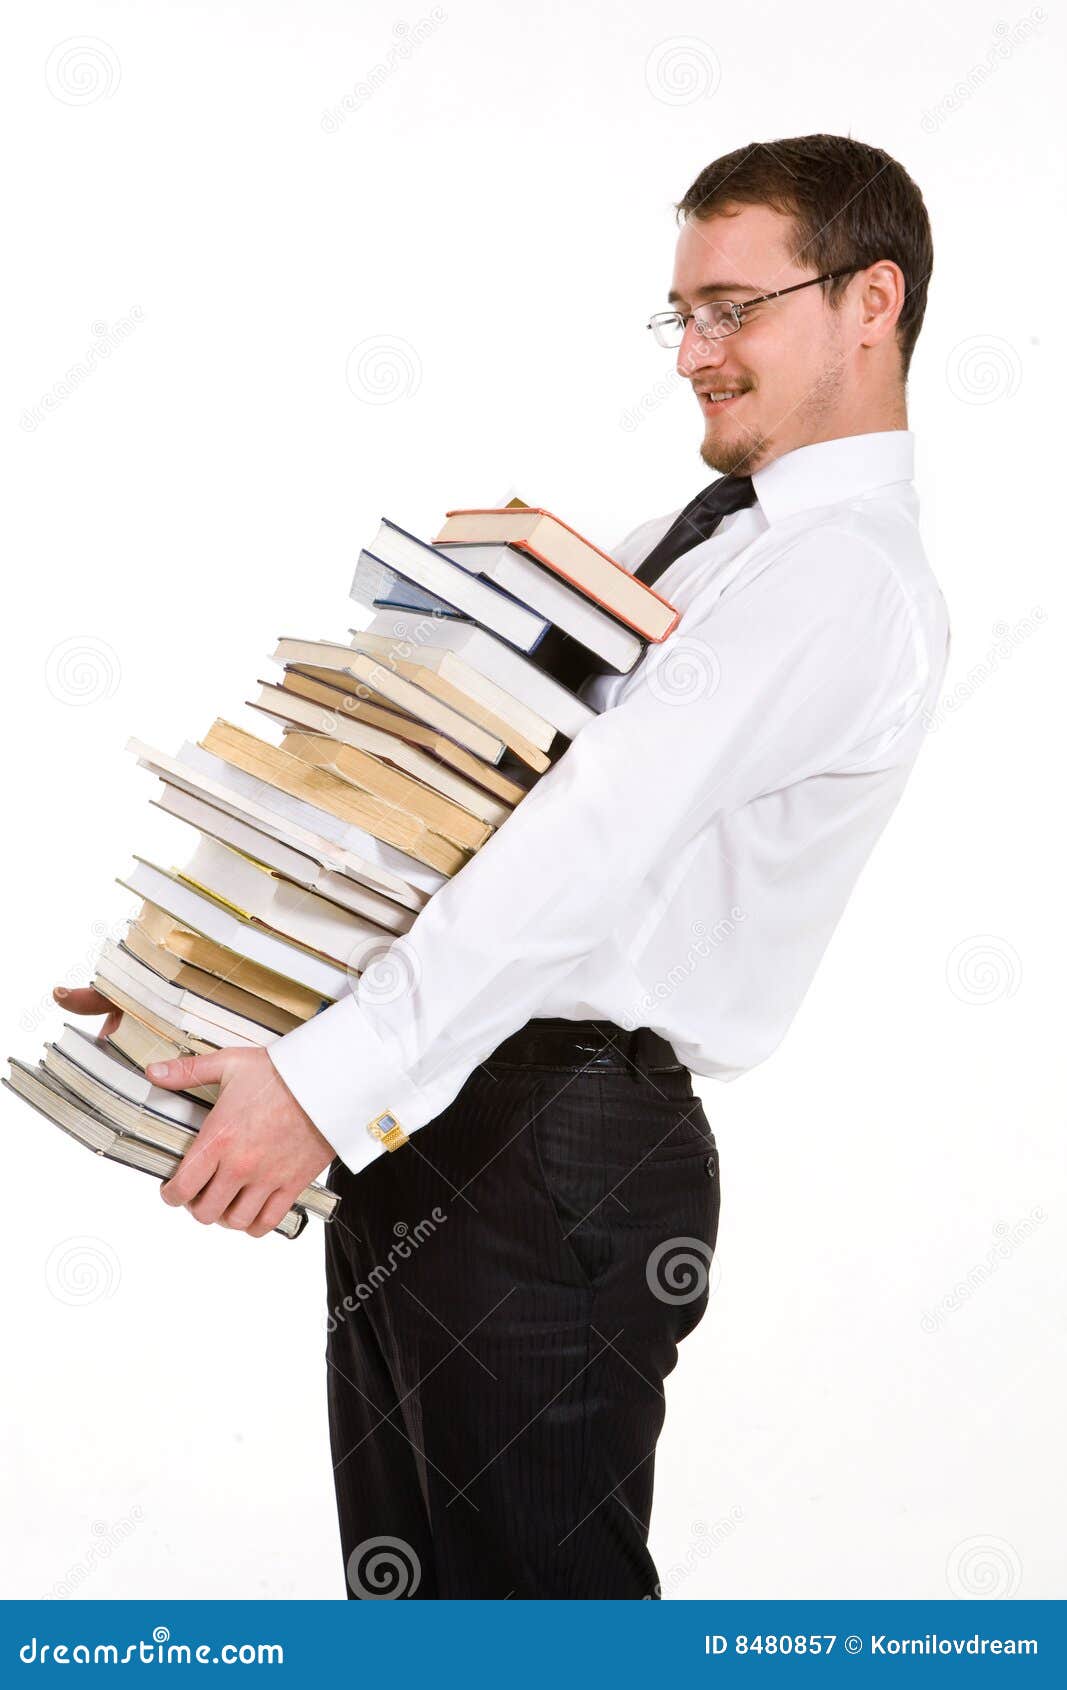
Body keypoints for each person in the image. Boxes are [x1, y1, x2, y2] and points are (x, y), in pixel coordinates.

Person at [55, 132, 950, 1599]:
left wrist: (323, 1083)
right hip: (447, 1114)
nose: (694, 355)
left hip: (553, 1148)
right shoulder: (690, 540)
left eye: (734, 309)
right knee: (424, 1626)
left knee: (543, 1636)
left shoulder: (839, 572)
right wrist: (223, 985)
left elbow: (586, 845)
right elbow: (468, 807)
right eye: (683, 315)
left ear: (873, 300)